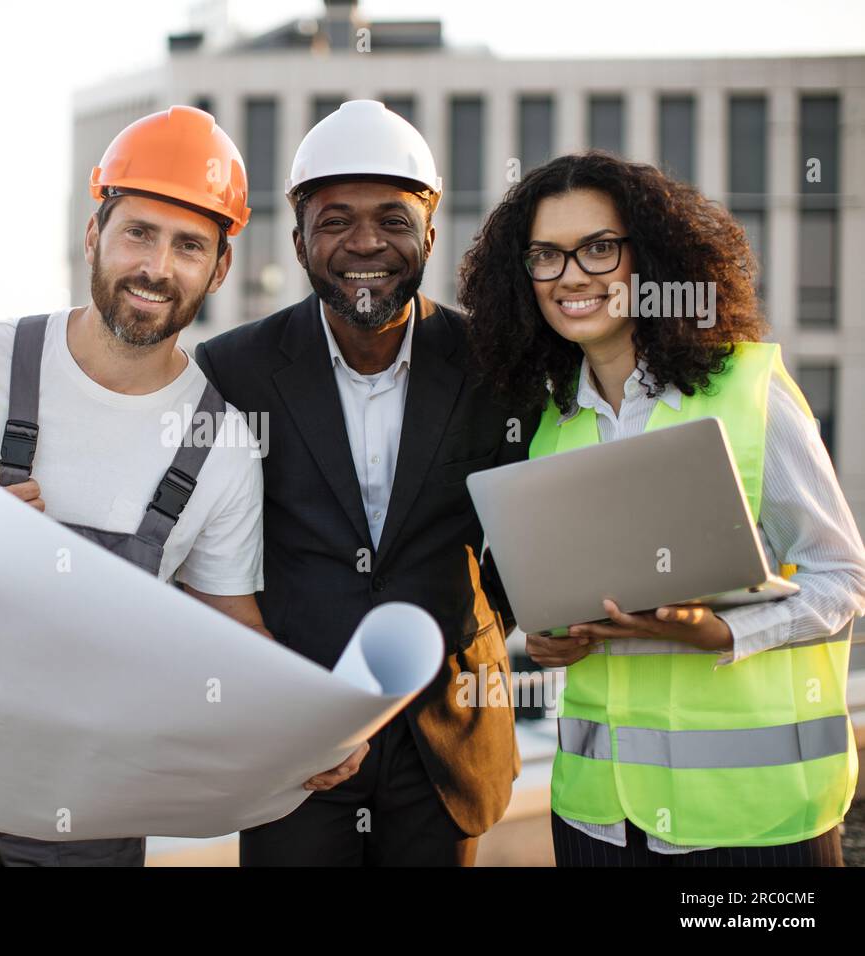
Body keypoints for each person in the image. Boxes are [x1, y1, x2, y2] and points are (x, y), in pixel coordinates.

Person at [0, 105, 351, 867]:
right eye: (139, 233)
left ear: (219, 268)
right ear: (93, 235)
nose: (158, 268)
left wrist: (303, 729)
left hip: (95, 809)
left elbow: (230, 623)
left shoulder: (220, 440)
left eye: (189, 245)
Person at [459, 150, 865, 866]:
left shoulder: (748, 391)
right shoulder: (551, 426)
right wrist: (553, 641)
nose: (572, 275)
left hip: (752, 826)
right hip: (597, 822)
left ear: (650, 261)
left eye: (599, 248)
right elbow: (574, 607)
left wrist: (724, 635)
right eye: (545, 257)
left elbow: (843, 578)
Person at [196, 100, 528, 867]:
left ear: (430, 236)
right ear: (301, 241)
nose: (365, 243)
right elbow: (201, 549)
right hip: (296, 743)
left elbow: (520, 542)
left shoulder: (494, 365)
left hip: (446, 740)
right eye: (336, 220)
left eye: (391, 219)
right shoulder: (232, 370)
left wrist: (464, 644)